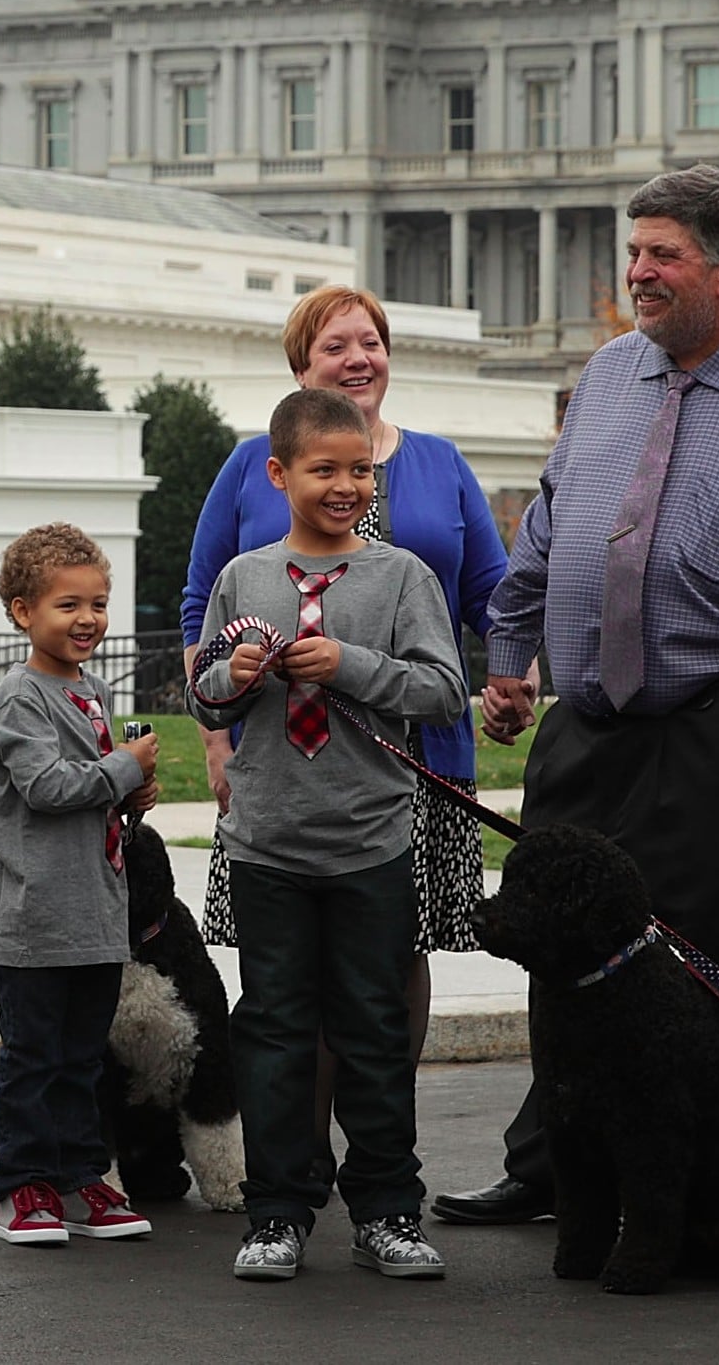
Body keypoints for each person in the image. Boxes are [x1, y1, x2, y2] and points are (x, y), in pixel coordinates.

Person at [435, 164, 719, 1230]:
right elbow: (554, 529)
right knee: (556, 955)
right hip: (585, 728)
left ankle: (709, 1200)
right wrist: (510, 655)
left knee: (697, 973)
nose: (638, 273)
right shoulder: (608, 375)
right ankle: (553, 1170)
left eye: (662, 255)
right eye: (636, 251)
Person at [180, 284, 509, 1071]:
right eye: (335, 345)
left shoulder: (442, 461)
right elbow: (203, 607)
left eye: (371, 342)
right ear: (301, 368)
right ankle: (300, 1151)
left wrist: (512, 675)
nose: (358, 358)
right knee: (292, 967)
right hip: (283, 767)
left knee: (395, 951)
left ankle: (382, 1142)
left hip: (419, 757)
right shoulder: (246, 465)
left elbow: (494, 595)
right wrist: (215, 739)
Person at [192, 387, 469, 1283]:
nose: (346, 485)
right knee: (272, 1032)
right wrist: (228, 679)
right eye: (325, 470)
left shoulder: (403, 579)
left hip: (372, 848)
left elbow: (441, 690)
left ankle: (388, 1207)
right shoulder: (245, 575)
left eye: (360, 470)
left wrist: (349, 664)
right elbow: (202, 689)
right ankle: (276, 1210)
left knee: (375, 1030)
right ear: (279, 474)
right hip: (269, 844)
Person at [0, 522, 162, 1246]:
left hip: (95, 914)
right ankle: (20, 1185)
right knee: (33, 1058)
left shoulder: (95, 688)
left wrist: (130, 793)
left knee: (85, 1058)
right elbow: (48, 786)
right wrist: (122, 767)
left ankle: (83, 1172)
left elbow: (93, 792)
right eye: (67, 605)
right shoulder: (21, 698)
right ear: (24, 611)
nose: (88, 619)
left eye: (99, 603)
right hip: (37, 921)